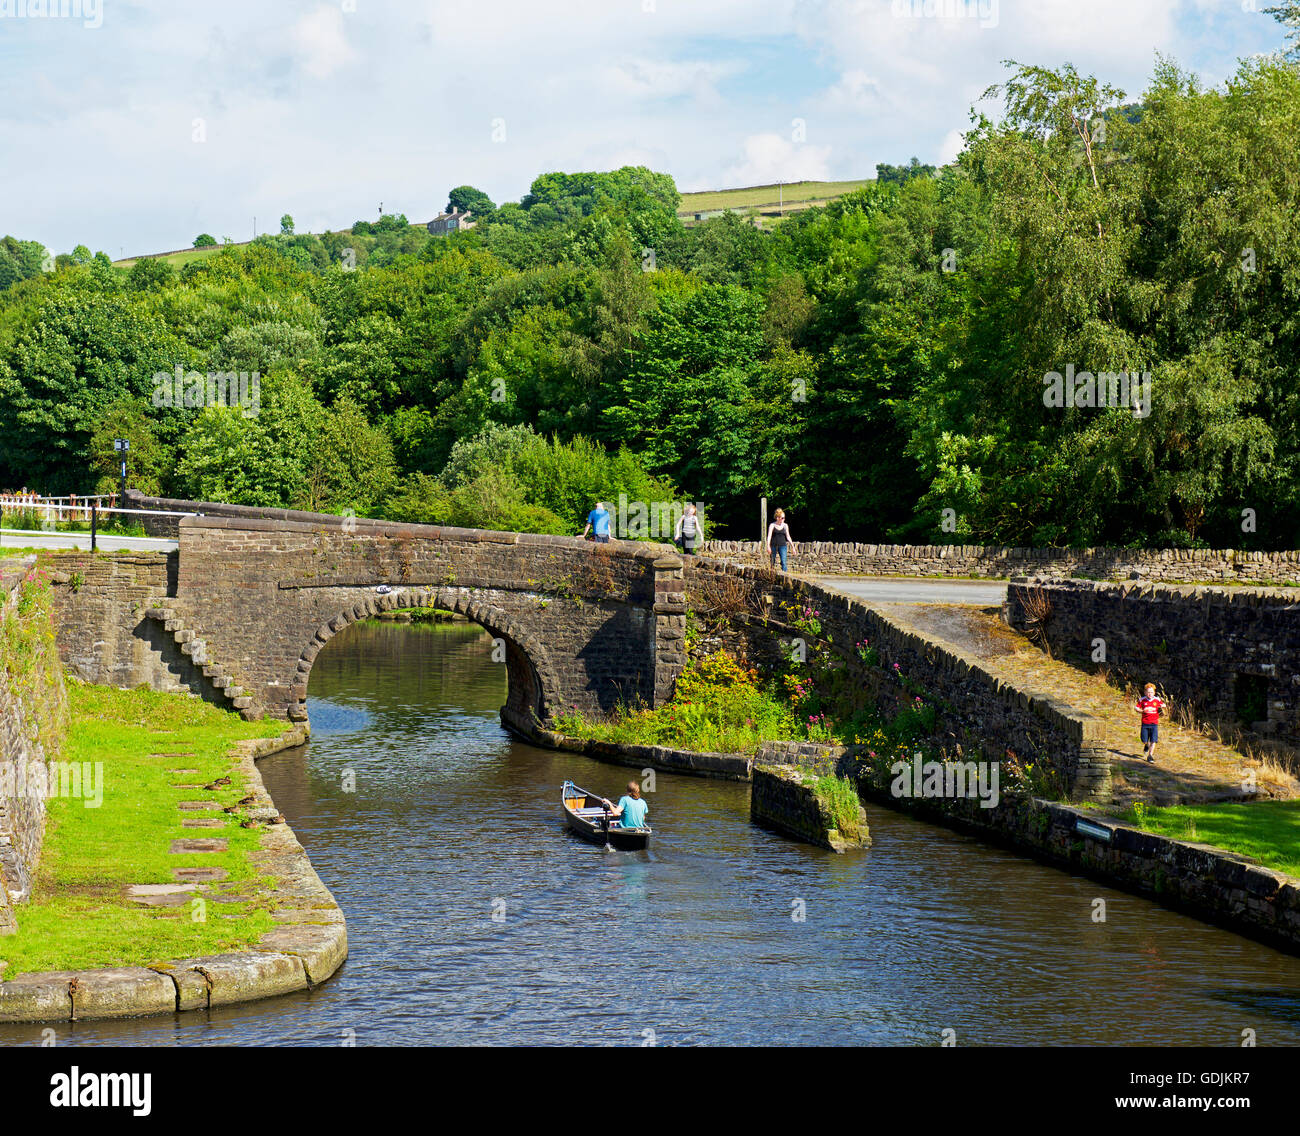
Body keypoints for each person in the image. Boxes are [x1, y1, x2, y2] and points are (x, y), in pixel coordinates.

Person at [1134, 682, 1164, 764]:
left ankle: (1150, 755)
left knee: (1154, 740)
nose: (1150, 694)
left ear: (1154, 692)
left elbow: (1163, 705)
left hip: (1154, 723)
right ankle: (1146, 745)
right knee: (1144, 739)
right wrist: (1142, 711)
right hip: (1145, 723)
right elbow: (1136, 708)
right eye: (1148, 692)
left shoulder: (1157, 700)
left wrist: (1161, 708)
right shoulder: (1142, 700)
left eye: (1151, 692)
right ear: (1145, 692)